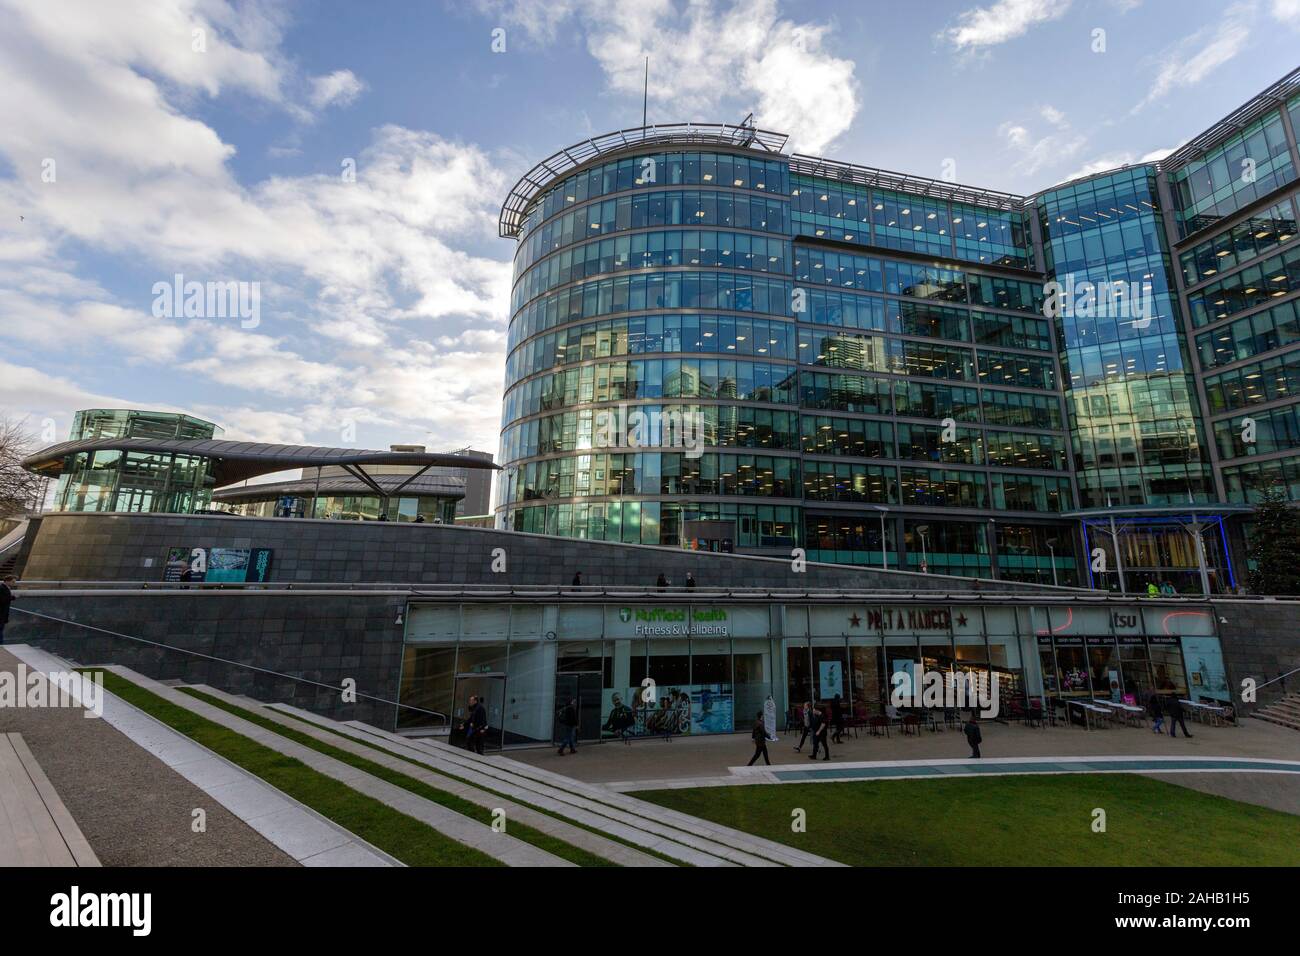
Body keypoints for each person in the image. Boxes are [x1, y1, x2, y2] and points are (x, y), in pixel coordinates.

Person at [0, 576, 15, 644]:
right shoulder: (2, 588)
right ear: (7, 581)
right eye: (12, 581)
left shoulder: (5, 588)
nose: (14, 583)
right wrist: (13, 597)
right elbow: (2, 599)